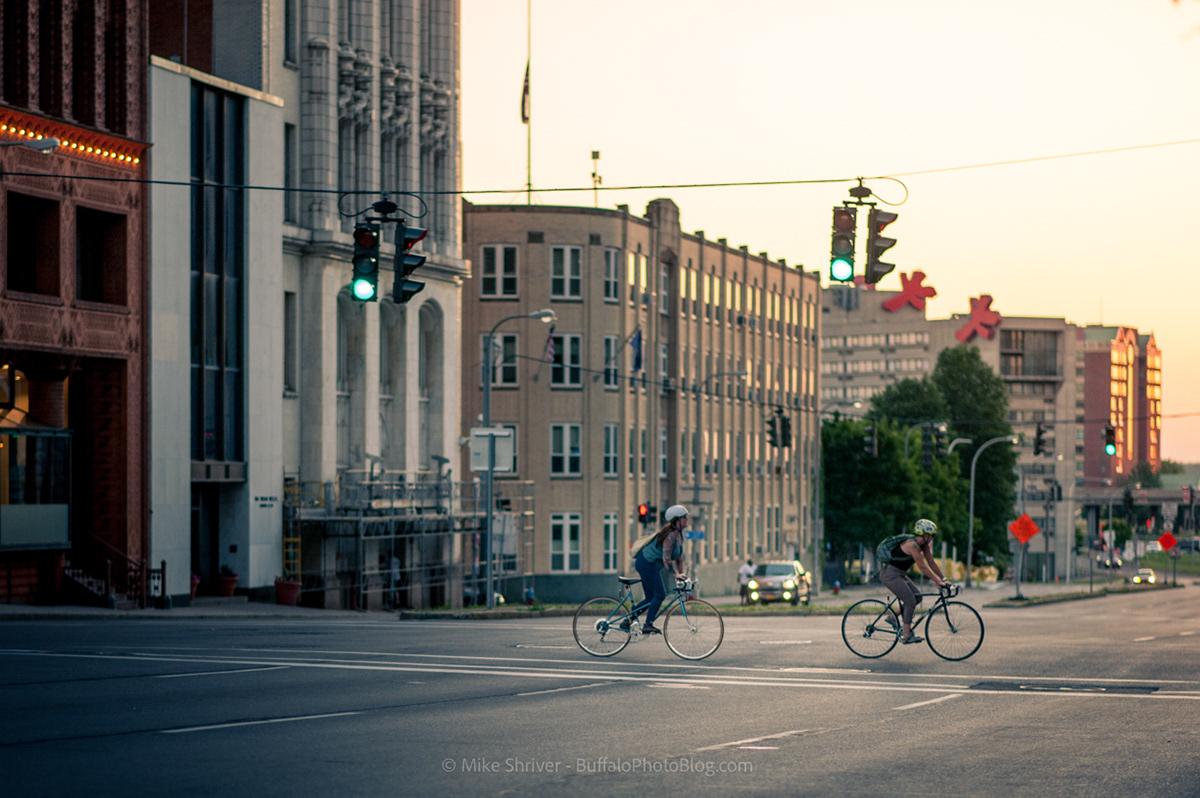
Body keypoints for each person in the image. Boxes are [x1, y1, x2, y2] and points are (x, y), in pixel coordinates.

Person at [876, 519, 949, 644]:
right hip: (890, 575)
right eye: (930, 536)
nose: (931, 539)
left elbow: (931, 562)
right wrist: (937, 581)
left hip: (900, 574)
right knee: (910, 601)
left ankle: (893, 617)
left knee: (918, 598)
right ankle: (906, 635)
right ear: (923, 535)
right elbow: (922, 567)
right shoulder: (912, 545)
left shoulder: (923, 546)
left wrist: (944, 579)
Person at [628, 504, 689, 635]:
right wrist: (675, 575)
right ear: (676, 520)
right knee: (660, 594)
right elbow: (666, 559)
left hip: (650, 565)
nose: (687, 520)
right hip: (645, 563)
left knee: (650, 597)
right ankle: (648, 625)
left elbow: (678, 558)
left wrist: (681, 572)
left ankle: (627, 620)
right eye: (684, 517)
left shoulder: (679, 535)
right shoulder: (670, 535)